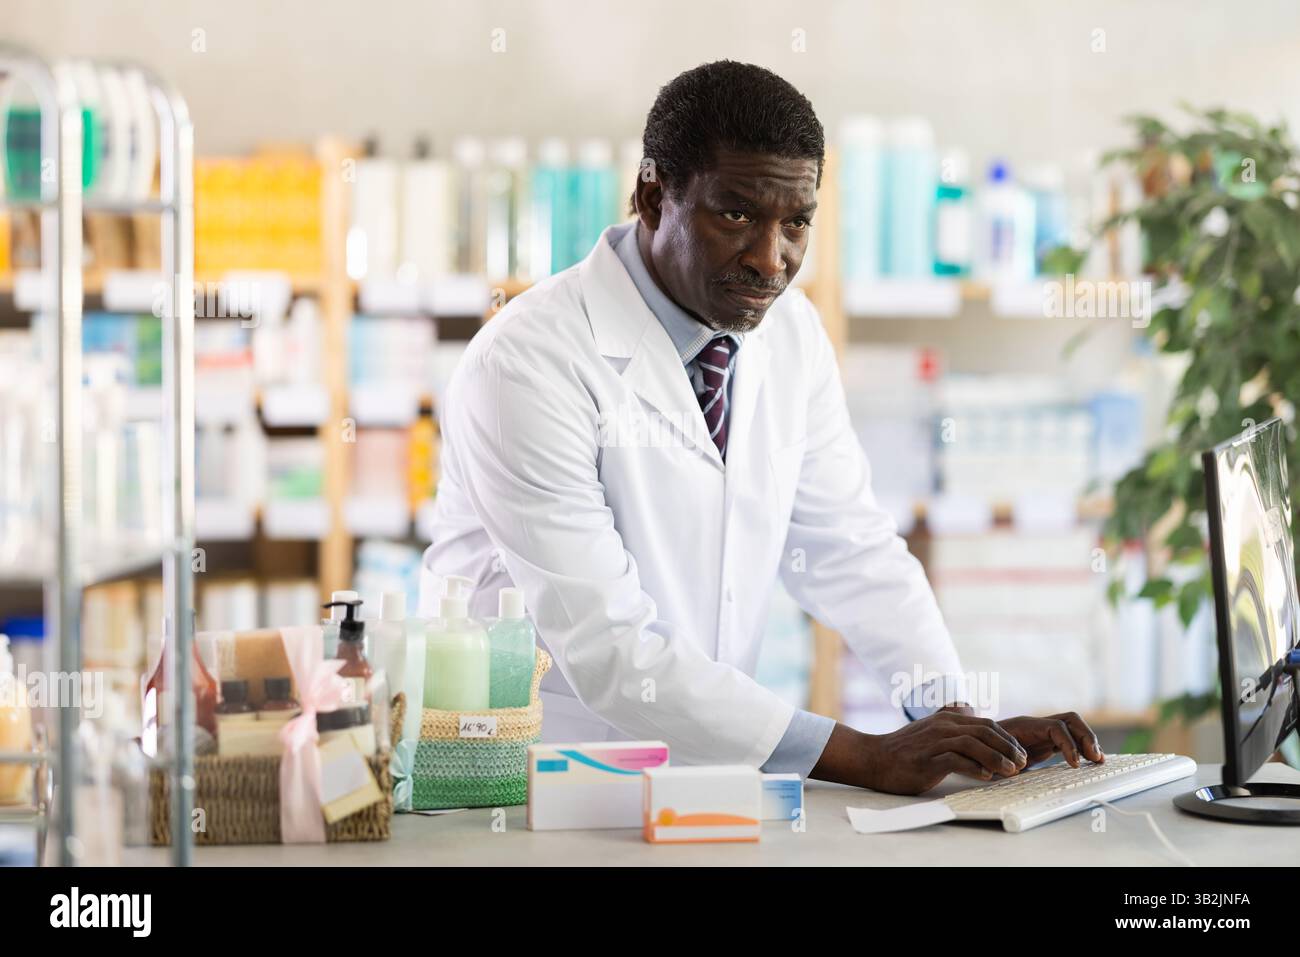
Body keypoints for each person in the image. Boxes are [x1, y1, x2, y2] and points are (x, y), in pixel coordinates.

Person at [421, 60, 1103, 794]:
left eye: (797, 222)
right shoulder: (528, 362)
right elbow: (609, 648)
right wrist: (868, 757)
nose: (771, 260)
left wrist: (961, 724)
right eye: (737, 215)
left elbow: (850, 549)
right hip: (536, 780)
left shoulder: (792, 336)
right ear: (654, 195)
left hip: (705, 781)